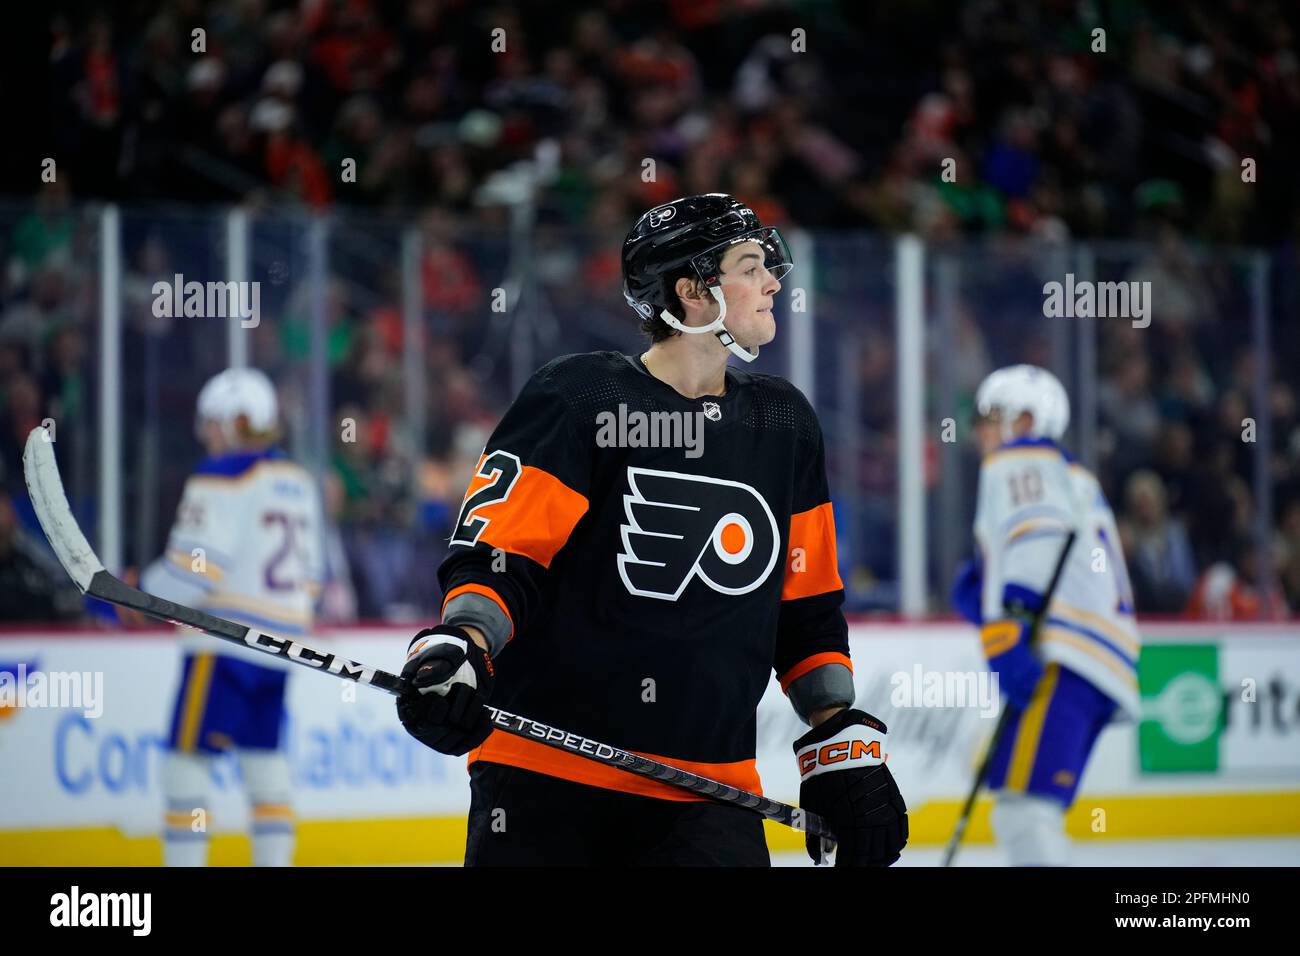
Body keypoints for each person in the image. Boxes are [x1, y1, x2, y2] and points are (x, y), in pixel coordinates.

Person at [396, 193, 907, 866]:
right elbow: (502, 556)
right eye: (751, 267)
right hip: (549, 783)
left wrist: (835, 733)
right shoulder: (582, 399)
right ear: (694, 292)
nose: (773, 283)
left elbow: (806, 605)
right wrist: (462, 643)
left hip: (712, 797)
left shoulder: (783, 424)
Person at [141, 368, 324, 866]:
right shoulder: (300, 480)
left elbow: (195, 569)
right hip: (281, 648)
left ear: (239, 421)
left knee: (186, 764)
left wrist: (136, 592)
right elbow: (314, 577)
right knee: (264, 761)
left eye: (212, 423)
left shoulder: (223, 475)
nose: (206, 435)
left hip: (222, 642)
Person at [962, 365, 1141, 865]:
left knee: (1024, 812)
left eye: (989, 416)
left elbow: (1038, 541)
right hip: (1089, 659)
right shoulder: (1065, 474)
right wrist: (985, 595)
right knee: (1026, 808)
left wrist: (1007, 631)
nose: (979, 429)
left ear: (1024, 420)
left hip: (1067, 655)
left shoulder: (1024, 457)